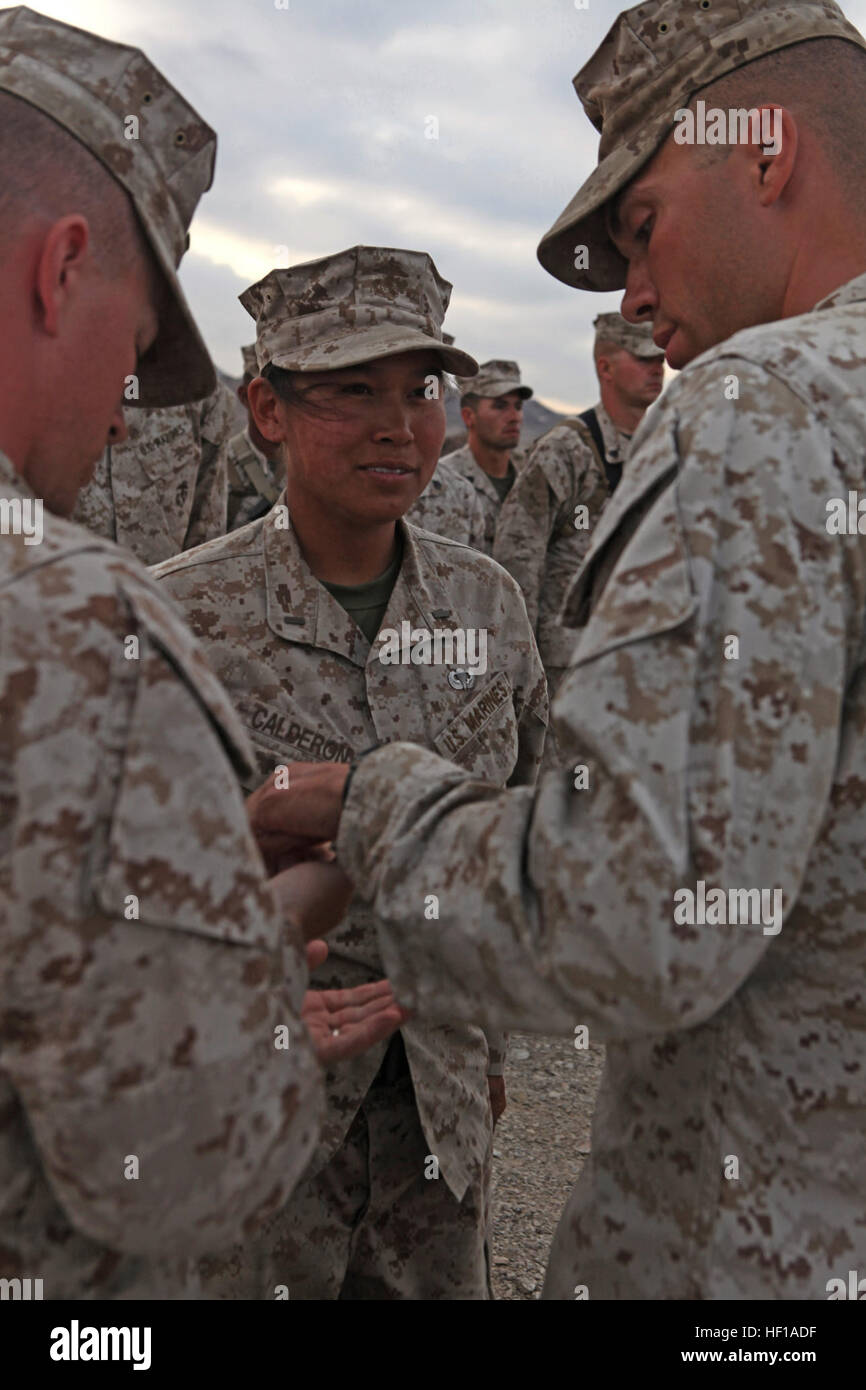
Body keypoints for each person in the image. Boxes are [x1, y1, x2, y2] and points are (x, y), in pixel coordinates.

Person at [251, 0, 866, 1300]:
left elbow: (634, 911)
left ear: (766, 156)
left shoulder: (761, 411)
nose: (638, 295)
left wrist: (375, 806)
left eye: (641, 226)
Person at [0, 6, 400, 1300]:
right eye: (129, 353)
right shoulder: (72, 624)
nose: (123, 422)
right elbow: (186, 1159)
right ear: (62, 269)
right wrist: (252, 963)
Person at [153, 244, 549, 1299]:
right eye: (351, 391)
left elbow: (521, 832)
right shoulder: (174, 619)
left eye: (421, 389)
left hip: (438, 1107)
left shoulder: (485, 607)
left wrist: (492, 1051)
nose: (399, 424)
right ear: (267, 411)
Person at [493, 314, 663, 765]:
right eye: (644, 358)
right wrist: (517, 670)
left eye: (660, 358)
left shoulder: (664, 447)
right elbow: (518, 558)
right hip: (566, 669)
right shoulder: (566, 449)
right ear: (605, 368)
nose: (657, 367)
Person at [73, 382, 235, 563]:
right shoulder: (45, 381)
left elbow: (207, 527)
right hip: (58, 583)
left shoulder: (202, 395)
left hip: (160, 586)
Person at [440, 360, 533, 551]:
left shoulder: (533, 476)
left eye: (518, 406)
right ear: (468, 416)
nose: (514, 417)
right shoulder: (442, 482)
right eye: (500, 406)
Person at [226, 343, 286, 531]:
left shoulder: (311, 464)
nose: (272, 406)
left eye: (282, 392)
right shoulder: (220, 467)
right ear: (246, 397)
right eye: (266, 397)